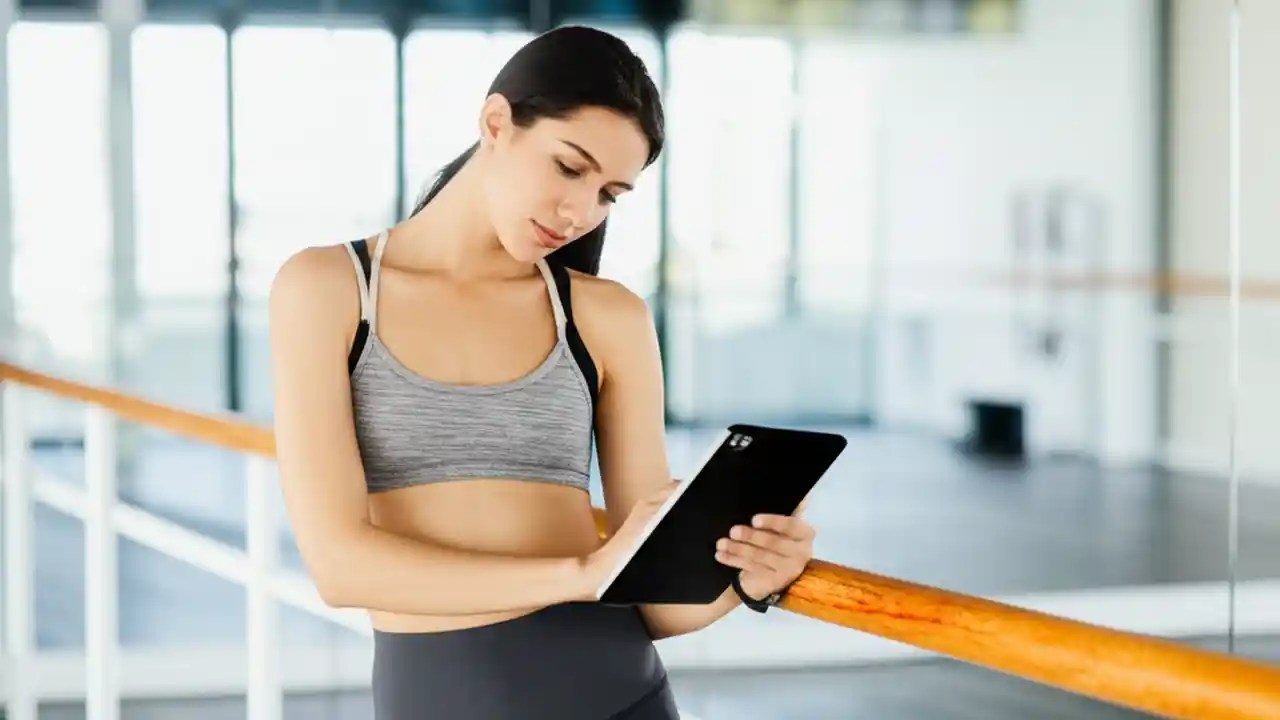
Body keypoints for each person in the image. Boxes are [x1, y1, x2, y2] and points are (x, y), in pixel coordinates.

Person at [267, 25, 818, 720]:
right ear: (496, 122)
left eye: (610, 194)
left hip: (626, 696)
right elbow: (339, 567)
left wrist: (747, 580)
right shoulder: (328, 289)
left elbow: (649, 598)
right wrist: (582, 573)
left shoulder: (605, 318)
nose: (580, 212)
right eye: (568, 167)